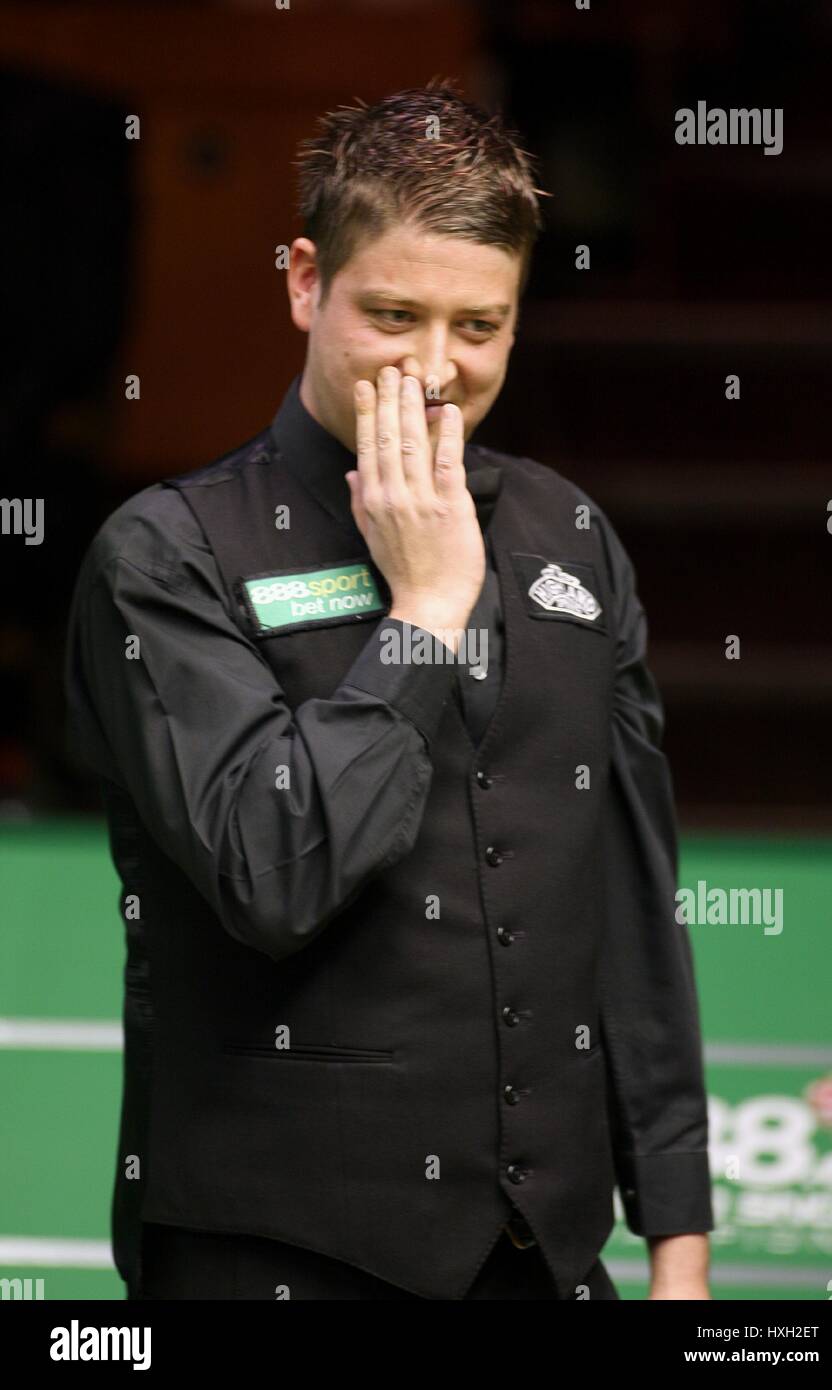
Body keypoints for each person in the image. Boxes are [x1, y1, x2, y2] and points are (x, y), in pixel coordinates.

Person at [64, 79, 714, 1300]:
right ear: (306, 281)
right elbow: (272, 875)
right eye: (394, 313)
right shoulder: (167, 555)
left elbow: (627, 904)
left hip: (541, 1256)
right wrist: (421, 612)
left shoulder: (570, 540)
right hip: (272, 1251)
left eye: (478, 327)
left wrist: (676, 1241)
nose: (434, 369)